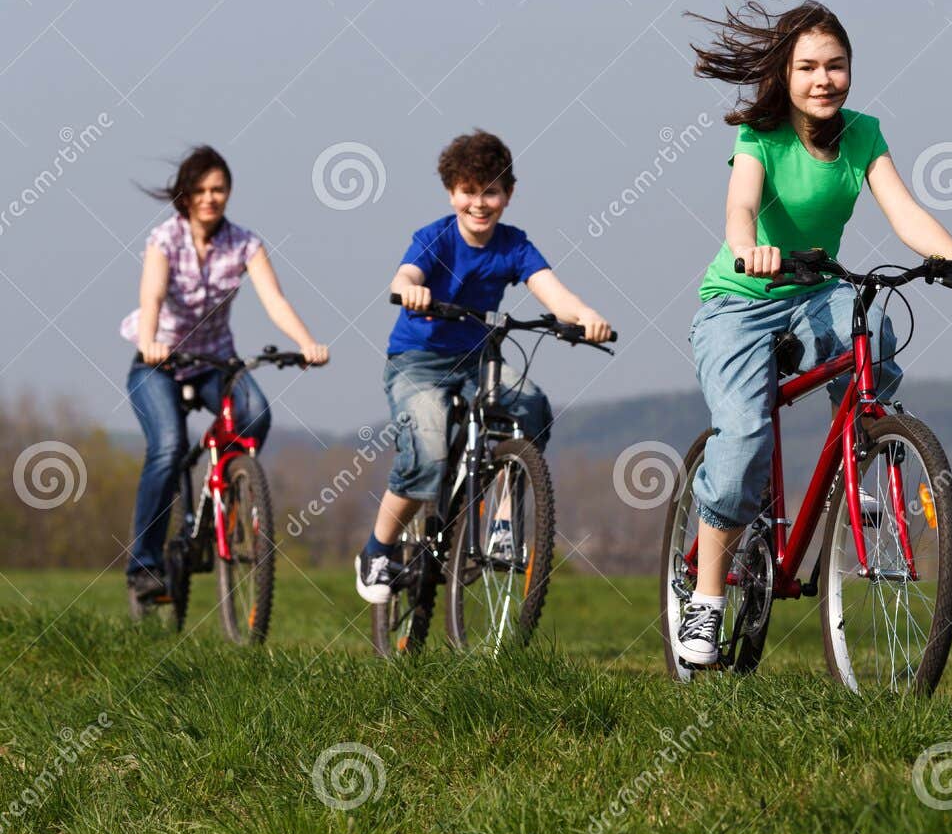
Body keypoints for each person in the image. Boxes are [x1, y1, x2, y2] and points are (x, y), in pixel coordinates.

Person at [674, 0, 952, 666]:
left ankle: (865, 458)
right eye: (808, 67)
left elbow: (906, 213)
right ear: (783, 74)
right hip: (741, 298)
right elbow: (740, 207)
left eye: (836, 65)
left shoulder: (863, 134)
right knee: (744, 437)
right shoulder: (760, 135)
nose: (824, 79)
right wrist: (748, 249)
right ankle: (705, 598)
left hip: (817, 288)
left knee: (872, 332)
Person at [355, 130, 613, 604]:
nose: (479, 203)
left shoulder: (513, 245)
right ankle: (377, 550)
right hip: (419, 361)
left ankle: (503, 522)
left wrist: (585, 317)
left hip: (479, 361)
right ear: (451, 193)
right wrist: (410, 290)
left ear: (508, 195)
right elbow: (405, 275)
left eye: (491, 191)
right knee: (427, 452)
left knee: (530, 405)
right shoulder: (435, 238)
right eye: (468, 191)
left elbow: (553, 293)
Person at [121, 146, 330, 609]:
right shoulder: (164, 240)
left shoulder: (245, 244)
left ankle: (229, 490)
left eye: (218, 189)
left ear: (229, 192)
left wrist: (306, 342)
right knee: (168, 447)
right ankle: (145, 566)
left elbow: (274, 300)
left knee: (255, 415)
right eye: (200, 190)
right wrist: (151, 342)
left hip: (215, 362)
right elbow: (151, 297)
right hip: (159, 362)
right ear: (185, 195)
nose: (209, 198)